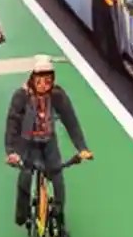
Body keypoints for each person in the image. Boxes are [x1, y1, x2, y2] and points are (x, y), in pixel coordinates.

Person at [5, 55, 93, 227]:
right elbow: (12, 124)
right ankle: (21, 215)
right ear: (32, 79)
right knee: (25, 176)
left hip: (49, 142)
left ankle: (59, 219)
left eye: (48, 80)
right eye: (39, 80)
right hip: (28, 143)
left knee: (58, 180)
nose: (44, 85)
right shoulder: (21, 96)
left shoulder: (57, 95)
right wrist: (11, 152)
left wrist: (82, 147)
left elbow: (70, 121)